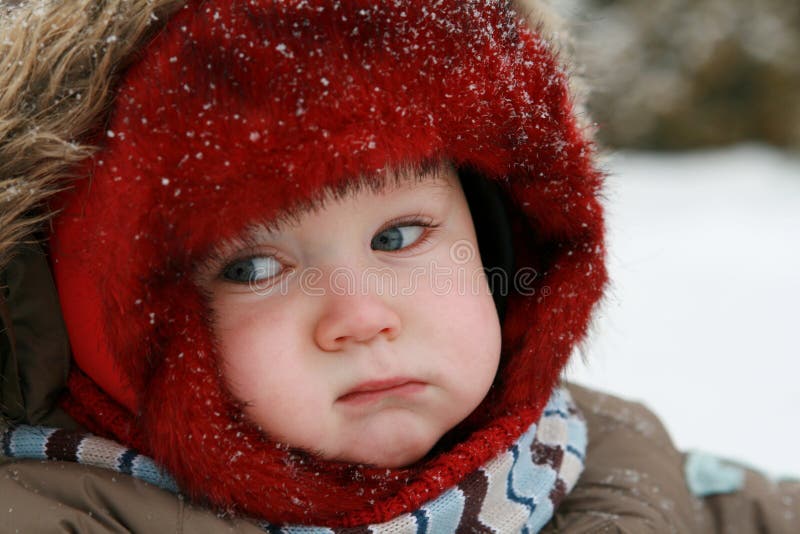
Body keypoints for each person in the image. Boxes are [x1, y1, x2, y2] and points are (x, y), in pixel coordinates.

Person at [1, 0, 798, 532]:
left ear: (499, 237)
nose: (361, 318)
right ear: (109, 332)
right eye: (251, 269)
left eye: (398, 237)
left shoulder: (620, 475)